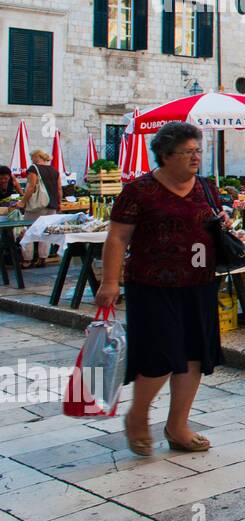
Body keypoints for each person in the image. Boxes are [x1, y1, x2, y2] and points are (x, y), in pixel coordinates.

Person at [94, 122, 224, 457]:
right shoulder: (139, 191)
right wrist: (110, 282)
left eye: (198, 151)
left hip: (200, 284)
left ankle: (177, 426)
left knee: (195, 355)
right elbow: (117, 238)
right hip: (152, 285)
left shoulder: (207, 188)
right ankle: (138, 416)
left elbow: (214, 225)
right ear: (166, 155)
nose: (196, 157)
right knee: (160, 355)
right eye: (188, 152)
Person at [19, 149, 62, 266]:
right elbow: (59, 189)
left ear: (37, 157)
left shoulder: (33, 168)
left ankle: (27, 259)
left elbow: (31, 187)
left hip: (38, 205)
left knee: (28, 230)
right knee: (46, 232)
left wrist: (23, 202)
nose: (31, 159)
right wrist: (59, 203)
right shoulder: (54, 170)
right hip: (52, 205)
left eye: (32, 157)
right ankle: (42, 258)